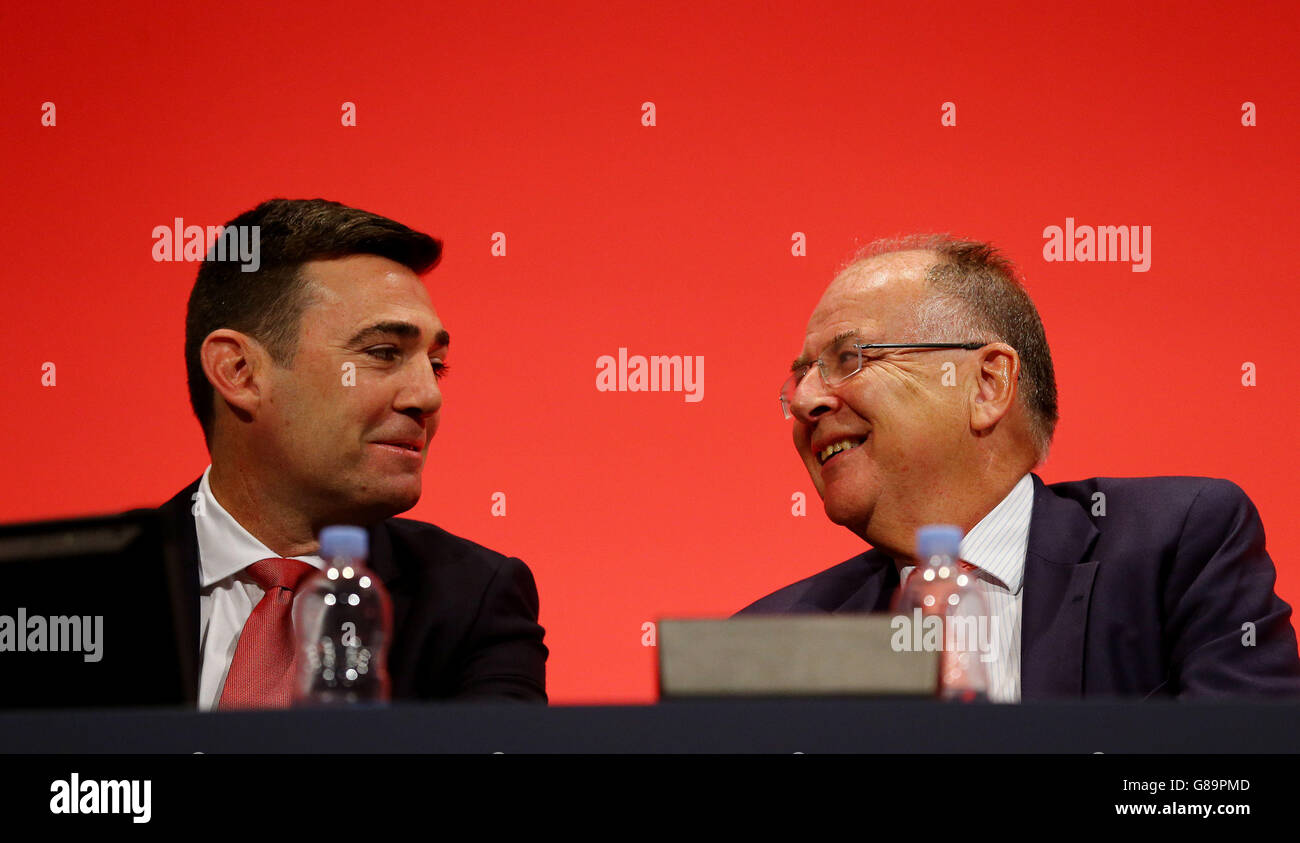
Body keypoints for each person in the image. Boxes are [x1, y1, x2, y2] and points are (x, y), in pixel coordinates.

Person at [738, 234, 1300, 700]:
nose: (807, 400)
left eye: (848, 359)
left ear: (986, 384)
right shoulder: (771, 638)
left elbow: (1235, 790)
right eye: (801, 376)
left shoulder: (1177, 547)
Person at [161, 197, 546, 709]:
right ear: (239, 372)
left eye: (437, 364)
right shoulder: (78, 596)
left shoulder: (474, 600)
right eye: (383, 353)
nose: (428, 396)